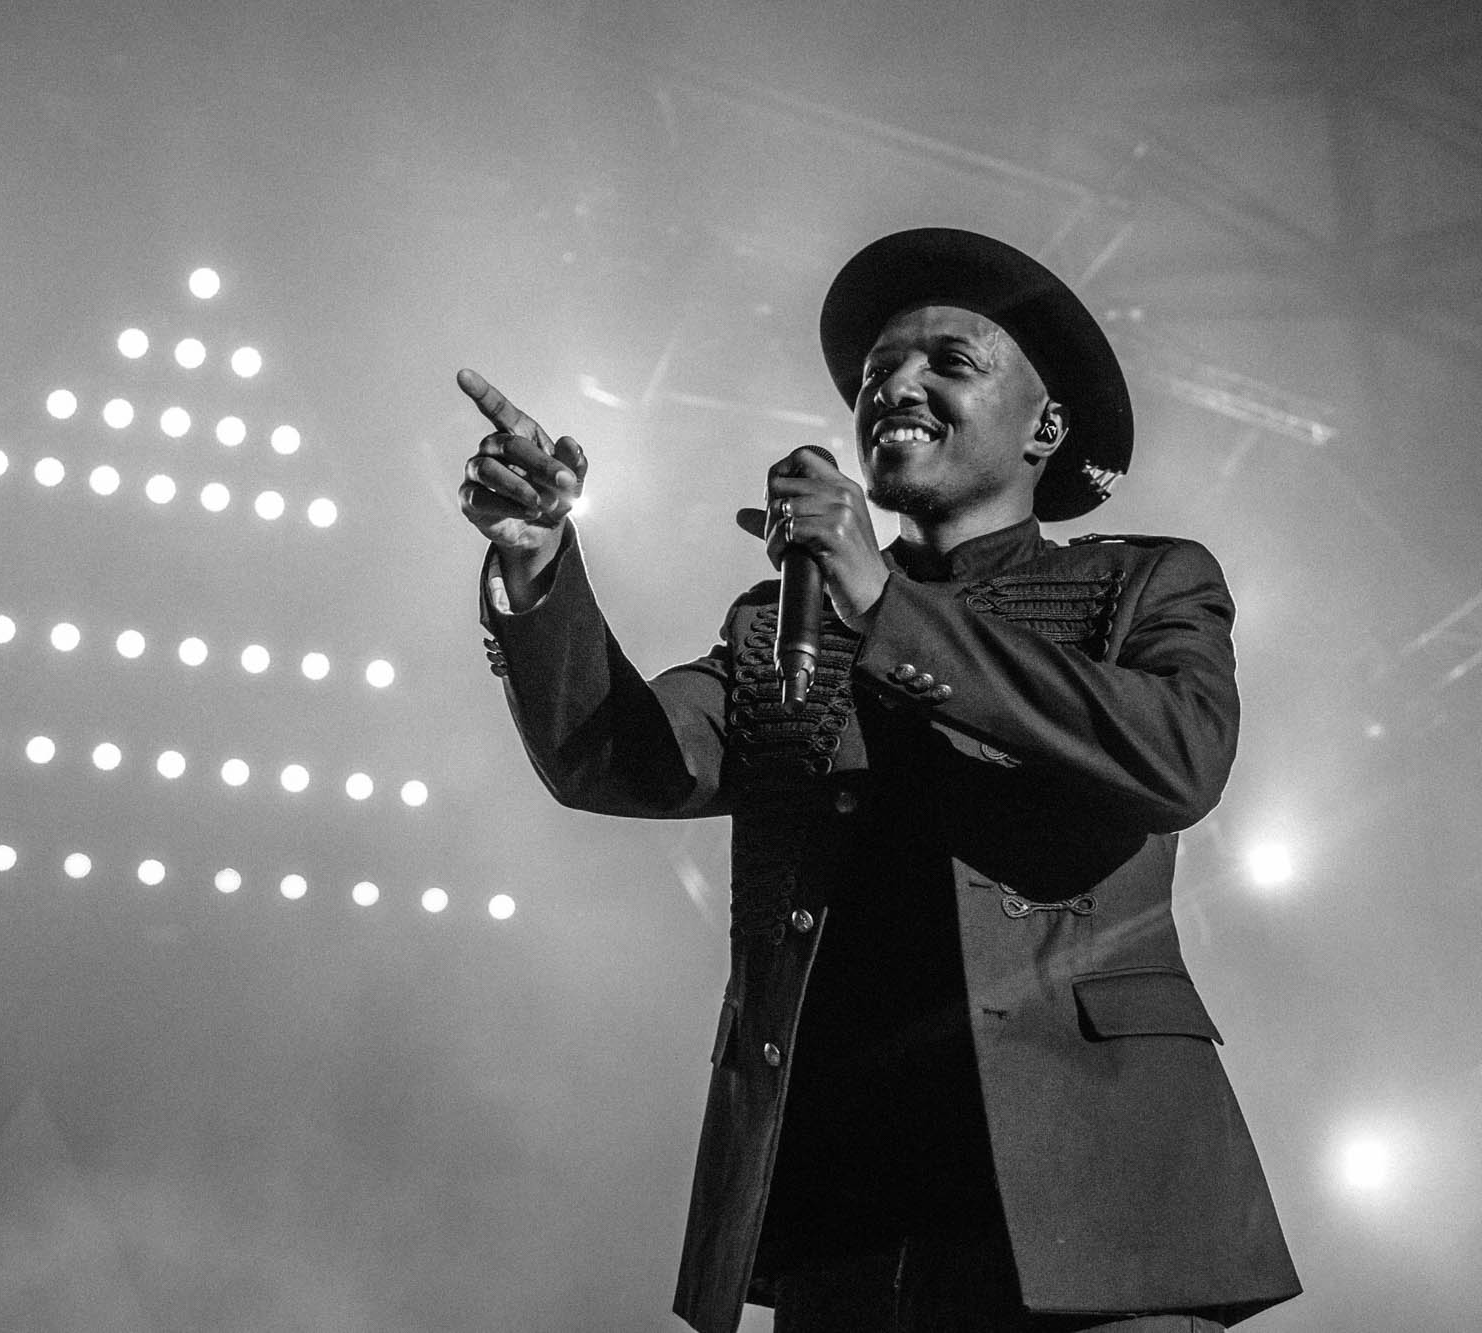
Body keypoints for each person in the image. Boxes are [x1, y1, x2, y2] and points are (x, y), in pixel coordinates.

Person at [458, 228, 1299, 1333]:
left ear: (1044, 427)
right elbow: (613, 757)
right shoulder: (779, 625)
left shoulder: (1139, 583)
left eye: (949, 362)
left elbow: (1180, 756)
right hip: (845, 1206)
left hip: (1095, 1209)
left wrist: (882, 603)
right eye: (875, 376)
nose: (895, 384)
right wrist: (535, 565)